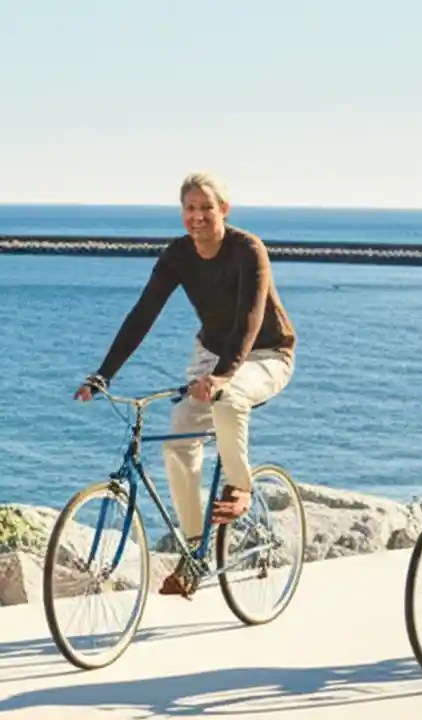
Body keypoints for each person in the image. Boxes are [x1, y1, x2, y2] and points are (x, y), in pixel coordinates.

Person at [75, 171, 297, 597]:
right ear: (182, 214)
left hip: (267, 353)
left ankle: (241, 487)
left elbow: (251, 322)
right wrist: (104, 374)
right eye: (190, 208)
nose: (197, 216)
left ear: (223, 211)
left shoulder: (248, 250)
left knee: (229, 400)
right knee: (177, 437)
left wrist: (222, 376)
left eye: (206, 208)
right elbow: (143, 314)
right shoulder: (178, 255)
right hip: (212, 356)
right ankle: (193, 553)